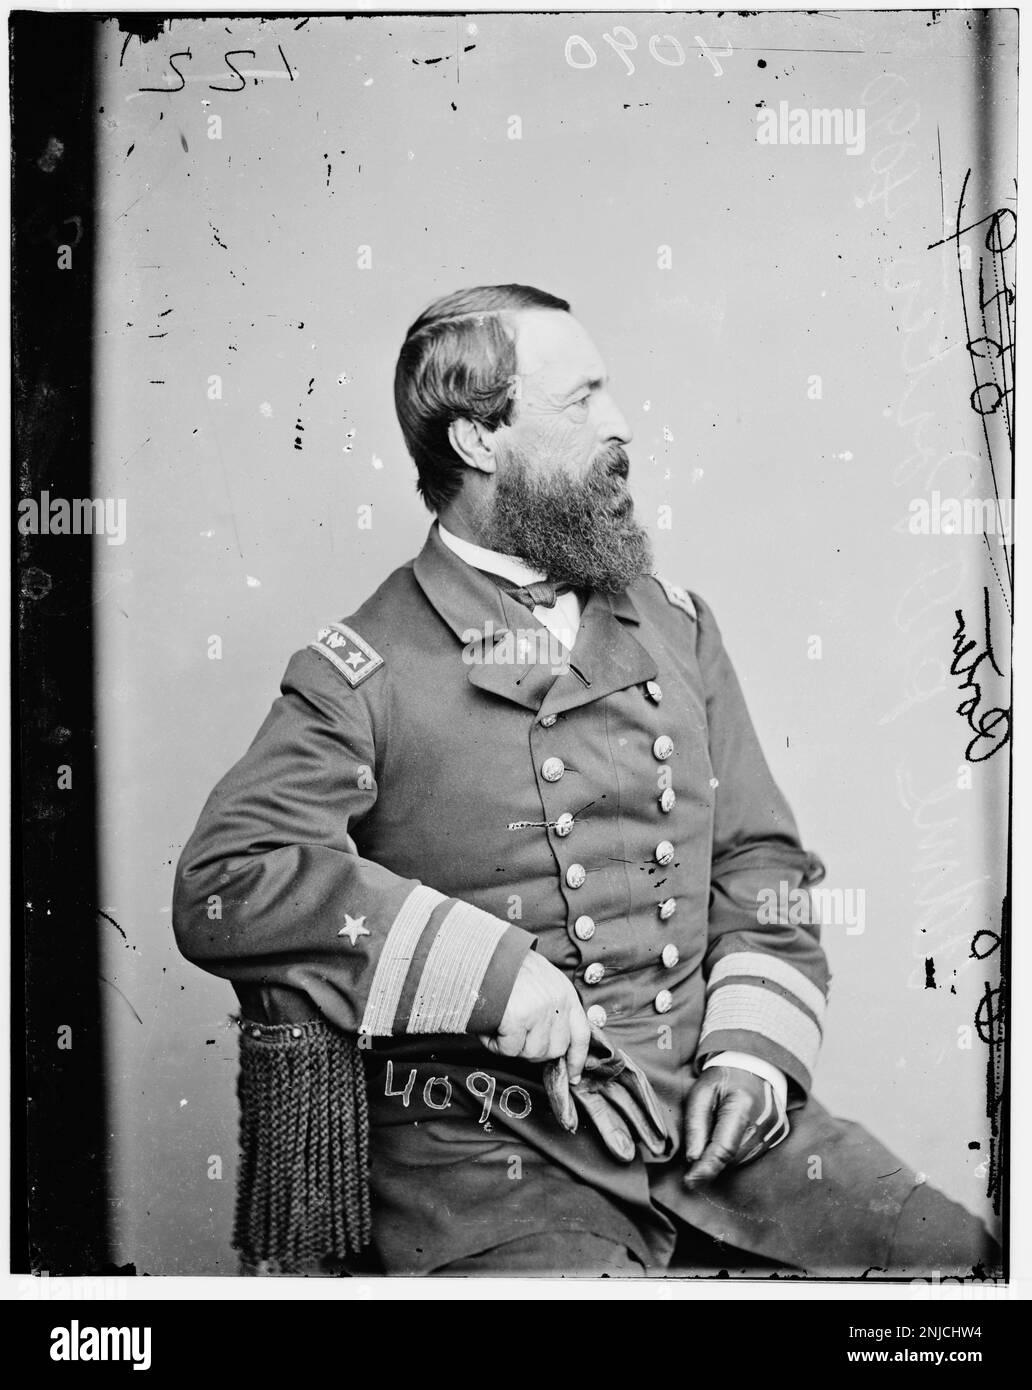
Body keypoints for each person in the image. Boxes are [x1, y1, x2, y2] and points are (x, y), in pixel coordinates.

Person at [173, 284, 999, 1279]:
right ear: (479, 439)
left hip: (704, 1123)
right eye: (580, 401)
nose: (621, 426)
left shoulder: (674, 621)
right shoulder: (368, 664)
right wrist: (494, 971)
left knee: (959, 1264)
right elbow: (226, 876)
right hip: (493, 1161)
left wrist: (747, 1055)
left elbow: (758, 857)